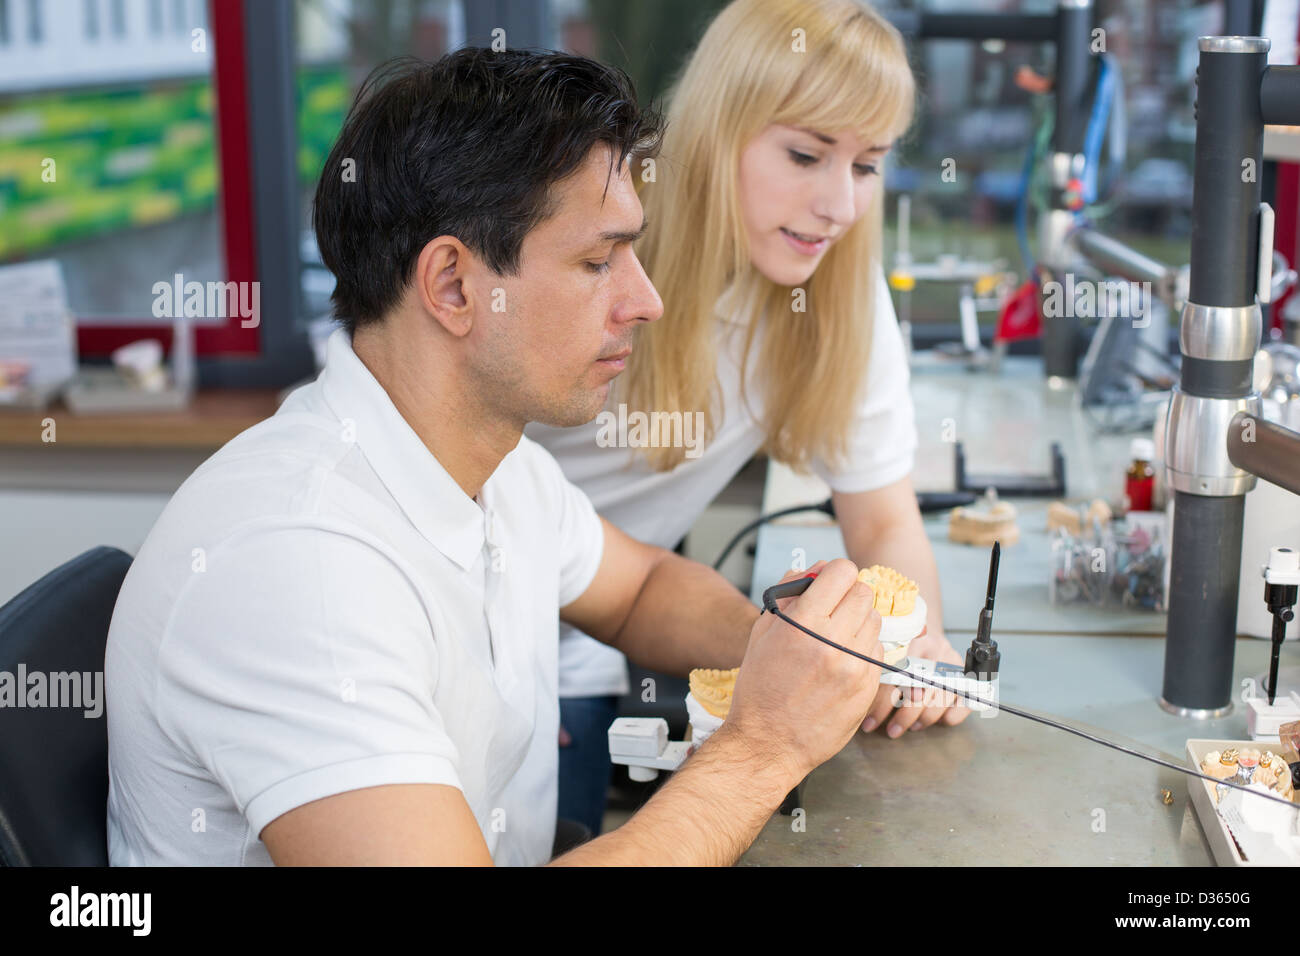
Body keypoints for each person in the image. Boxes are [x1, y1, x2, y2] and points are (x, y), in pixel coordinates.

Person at [104, 48, 885, 866]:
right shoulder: (297, 564)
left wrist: (787, 652)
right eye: (597, 262)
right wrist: (766, 743)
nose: (645, 300)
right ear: (451, 286)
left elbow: (639, 591)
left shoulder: (496, 464)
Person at [527, 0, 970, 836]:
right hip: (452, 602)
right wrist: (490, 658)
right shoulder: (600, 230)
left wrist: (919, 647)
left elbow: (881, 519)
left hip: (596, 616)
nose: (839, 204)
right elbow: (436, 438)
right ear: (718, 128)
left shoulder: (833, 288)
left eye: (868, 165)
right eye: (805, 154)